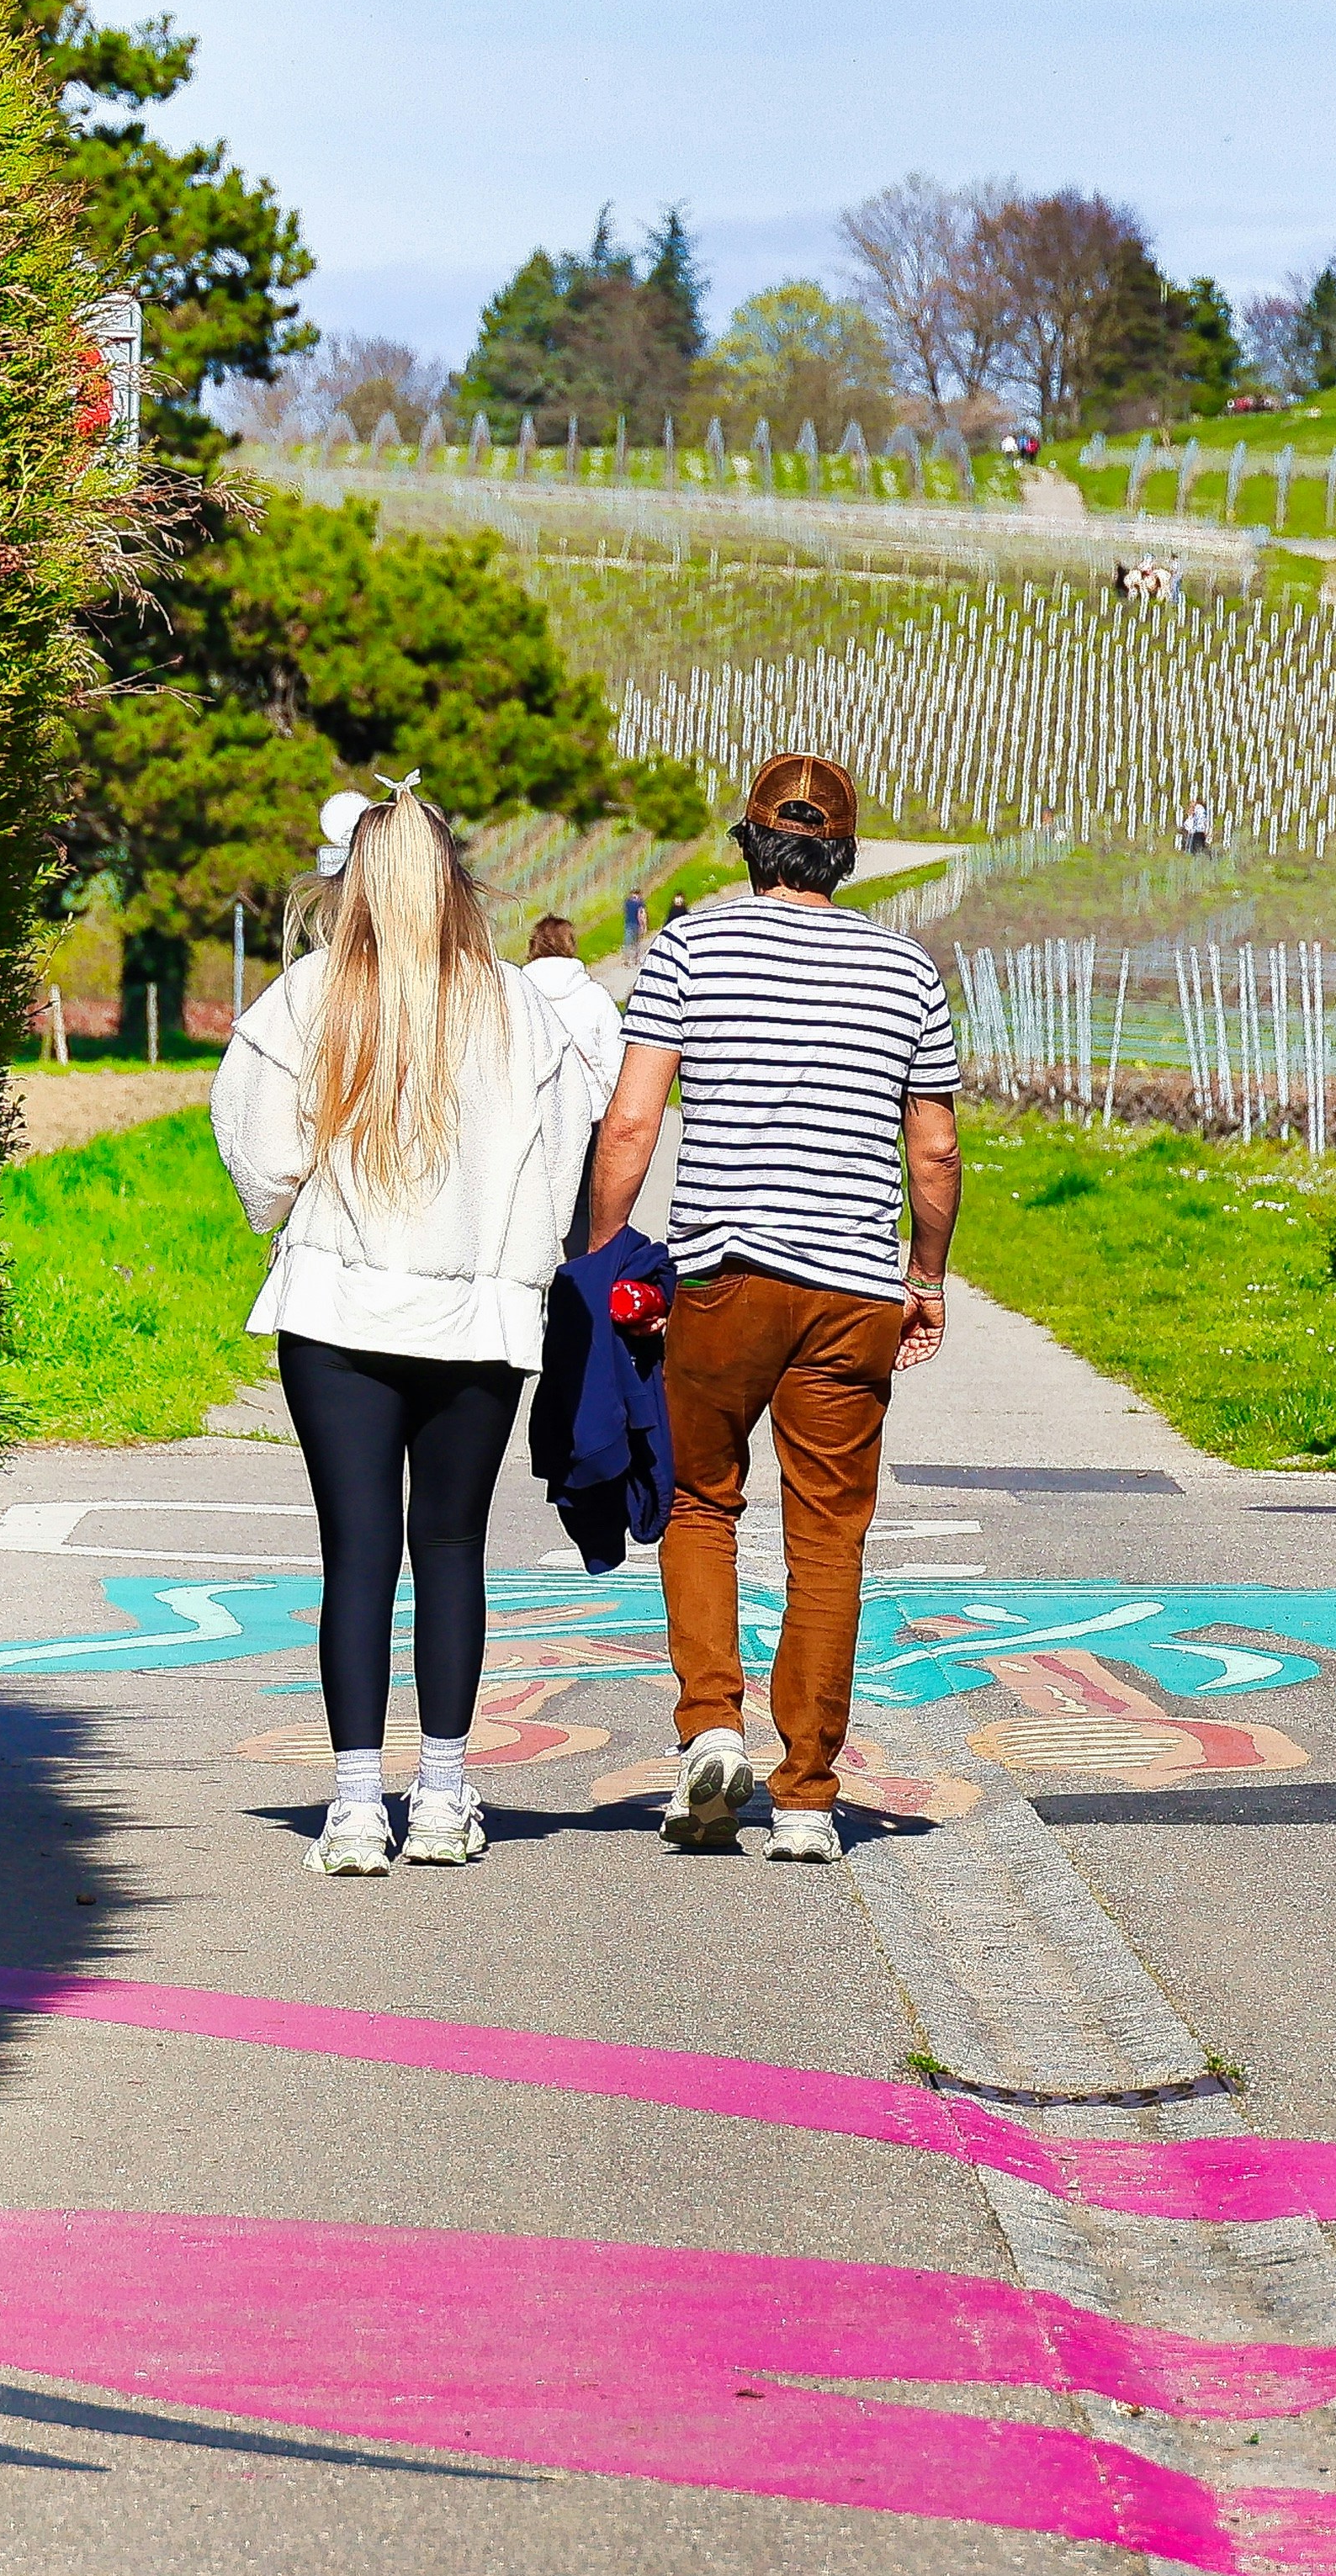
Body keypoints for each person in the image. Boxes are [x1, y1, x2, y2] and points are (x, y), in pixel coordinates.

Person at [214, 786, 615, 1877]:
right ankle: (440, 1794)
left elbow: (260, 1154)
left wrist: (291, 1213)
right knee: (450, 1550)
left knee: (356, 1556)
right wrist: (519, 1271)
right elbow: (563, 1151)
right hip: (475, 1319)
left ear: (350, 886)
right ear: (459, 887)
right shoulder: (516, 1008)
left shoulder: (310, 1000)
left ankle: (352, 1807)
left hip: (338, 1308)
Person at [580, 752, 960, 1868]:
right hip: (850, 1294)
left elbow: (635, 1125)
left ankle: (709, 1730)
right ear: (843, 855)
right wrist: (924, 1279)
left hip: (719, 1281)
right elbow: (932, 1149)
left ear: (750, 842)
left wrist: (605, 1260)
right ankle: (805, 1799)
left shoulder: (688, 949)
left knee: (701, 1502)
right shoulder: (908, 971)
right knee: (829, 1533)